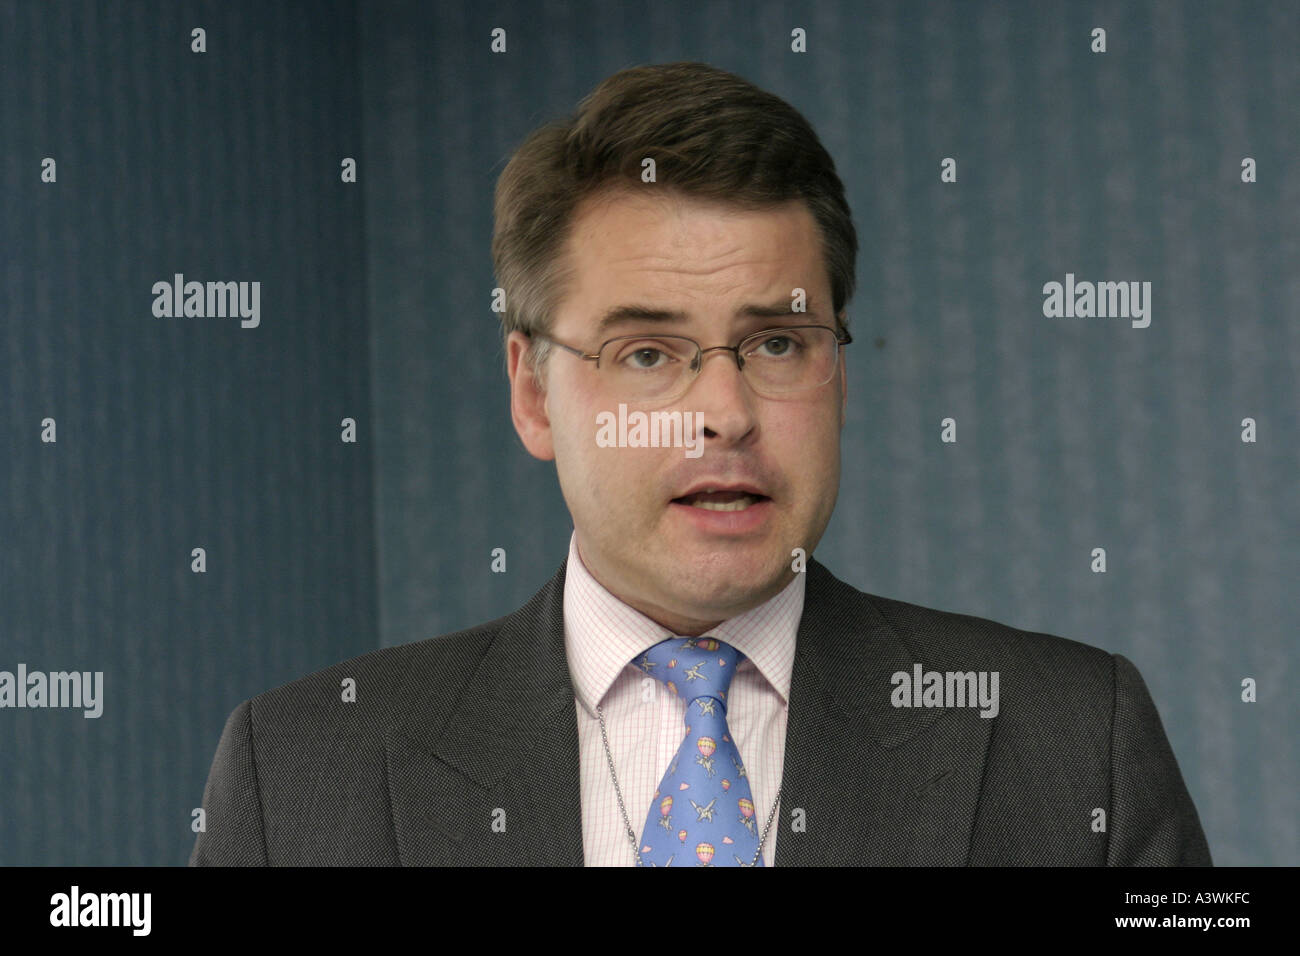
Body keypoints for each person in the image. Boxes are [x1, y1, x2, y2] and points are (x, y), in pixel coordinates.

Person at [189, 61, 1211, 866]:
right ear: (533, 391)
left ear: (838, 374)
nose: (724, 411)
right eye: (647, 353)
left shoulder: (1070, 741)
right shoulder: (303, 775)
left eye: (777, 342)